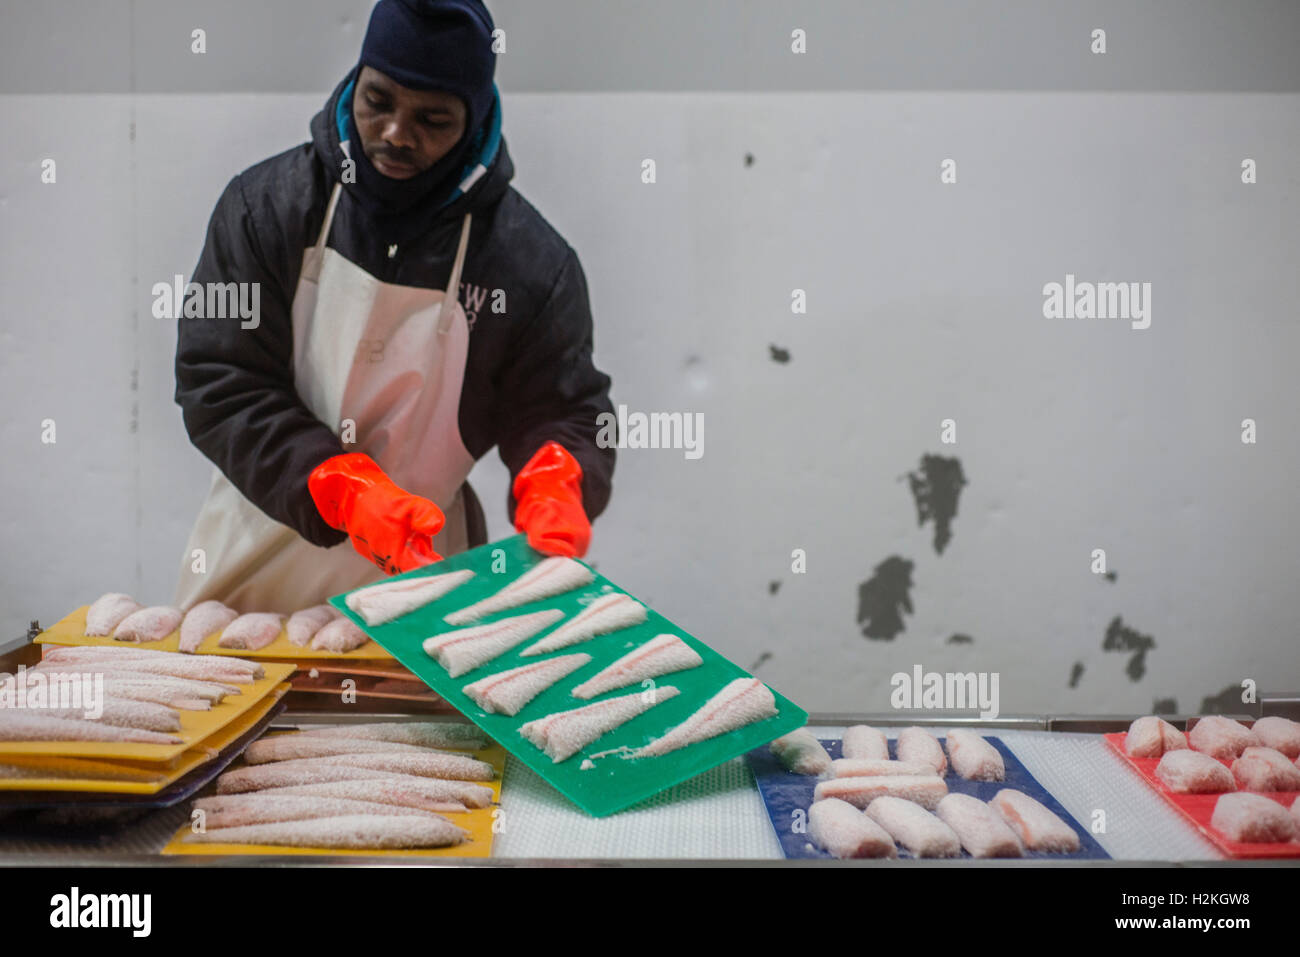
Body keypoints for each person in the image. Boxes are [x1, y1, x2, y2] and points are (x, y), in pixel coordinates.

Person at [172, 0, 615, 613]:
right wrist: (342, 489)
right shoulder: (265, 209)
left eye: (433, 118)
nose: (395, 134)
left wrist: (558, 477)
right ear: (356, 80)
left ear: (476, 117)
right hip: (254, 568)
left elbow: (565, 408)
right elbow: (218, 382)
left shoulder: (528, 263)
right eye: (378, 101)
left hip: (423, 584)